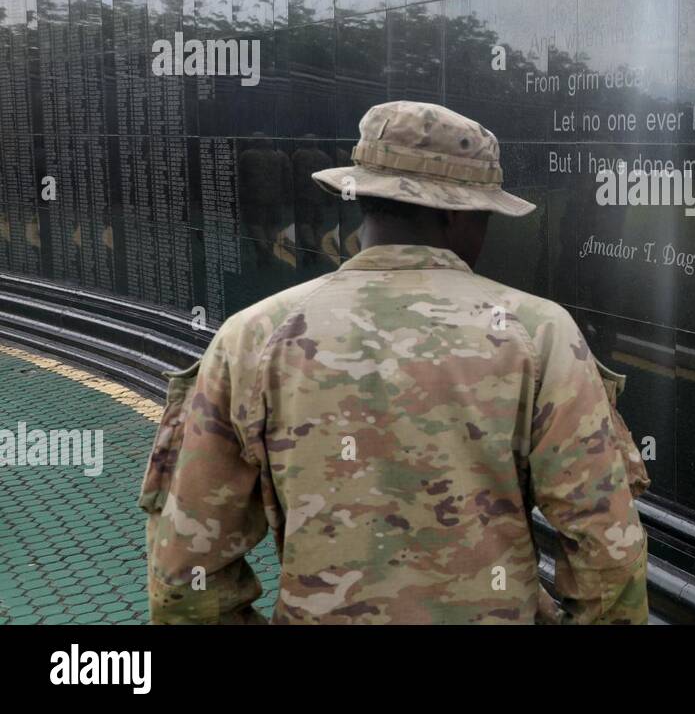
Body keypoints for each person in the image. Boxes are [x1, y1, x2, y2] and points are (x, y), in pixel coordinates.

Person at [140, 101, 648, 624]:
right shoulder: (541, 333)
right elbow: (607, 551)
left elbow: (185, 572)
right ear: (458, 212)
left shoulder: (252, 336)